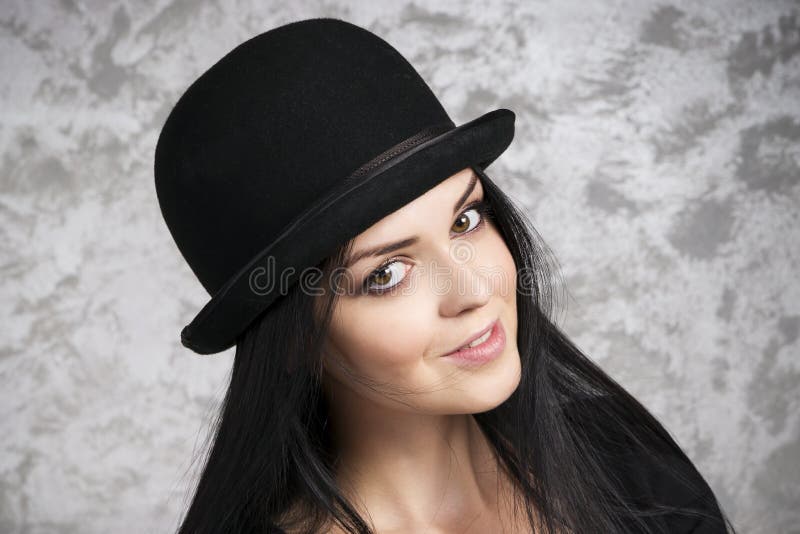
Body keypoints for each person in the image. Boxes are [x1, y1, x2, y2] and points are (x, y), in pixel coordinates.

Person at [154, 17, 736, 534]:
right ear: (291, 343)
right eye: (385, 273)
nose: (475, 290)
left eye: (466, 219)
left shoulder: (626, 469)